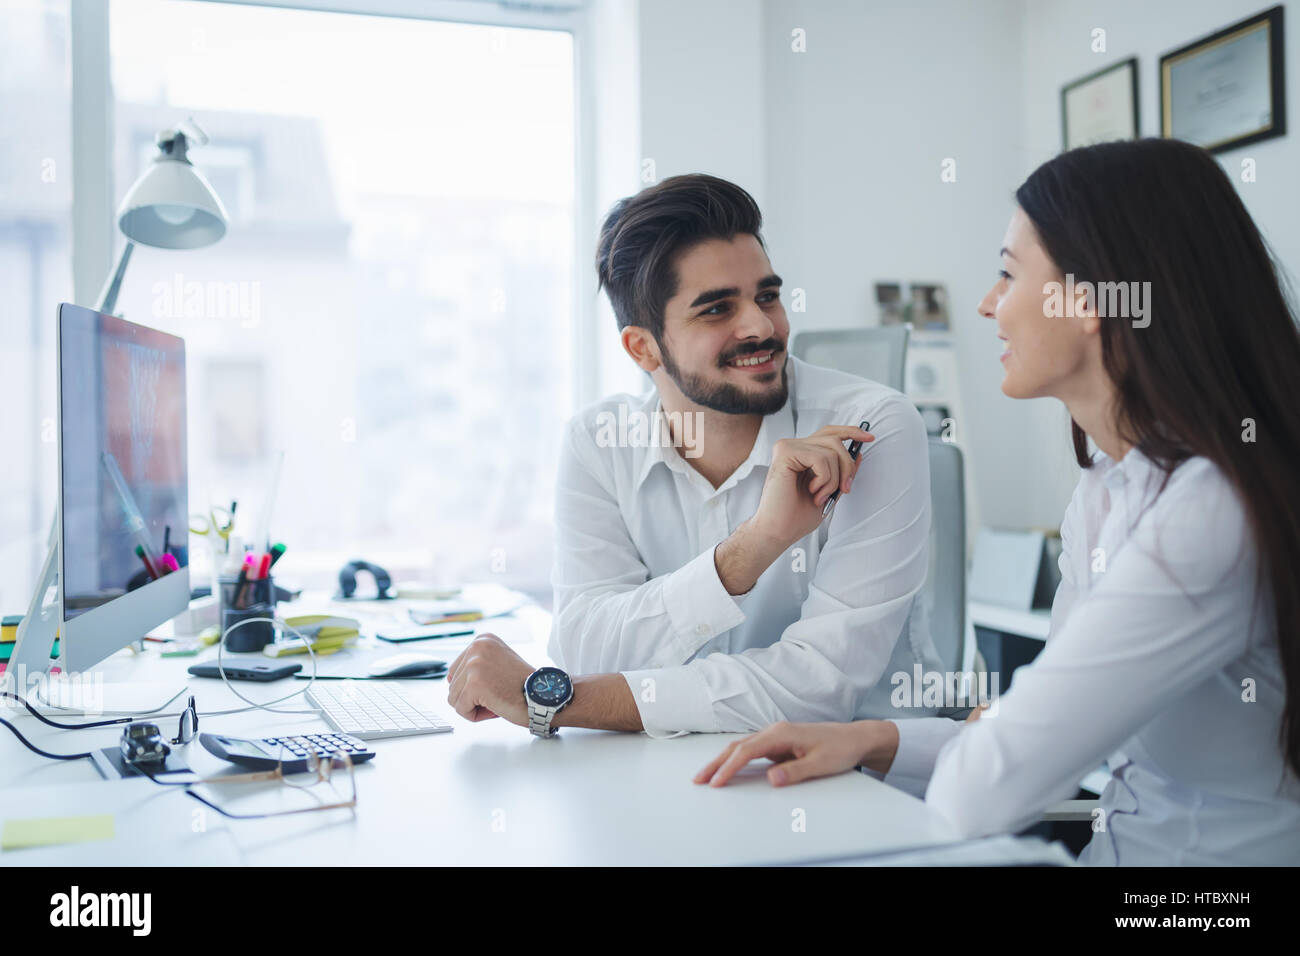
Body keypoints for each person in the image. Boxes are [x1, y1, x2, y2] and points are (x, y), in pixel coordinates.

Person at [697, 138, 1300, 866]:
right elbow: (1027, 731)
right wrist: (870, 739)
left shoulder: (1208, 515)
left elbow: (988, 786)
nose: (988, 304)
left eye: (1009, 274)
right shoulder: (1106, 489)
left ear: (1089, 299)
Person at [446, 174, 941, 737]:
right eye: (716, 309)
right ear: (643, 348)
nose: (761, 326)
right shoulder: (600, 442)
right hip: (668, 766)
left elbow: (819, 688)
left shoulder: (870, 428)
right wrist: (748, 552)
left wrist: (554, 702)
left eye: (767, 296)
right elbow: (585, 647)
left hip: (856, 776)